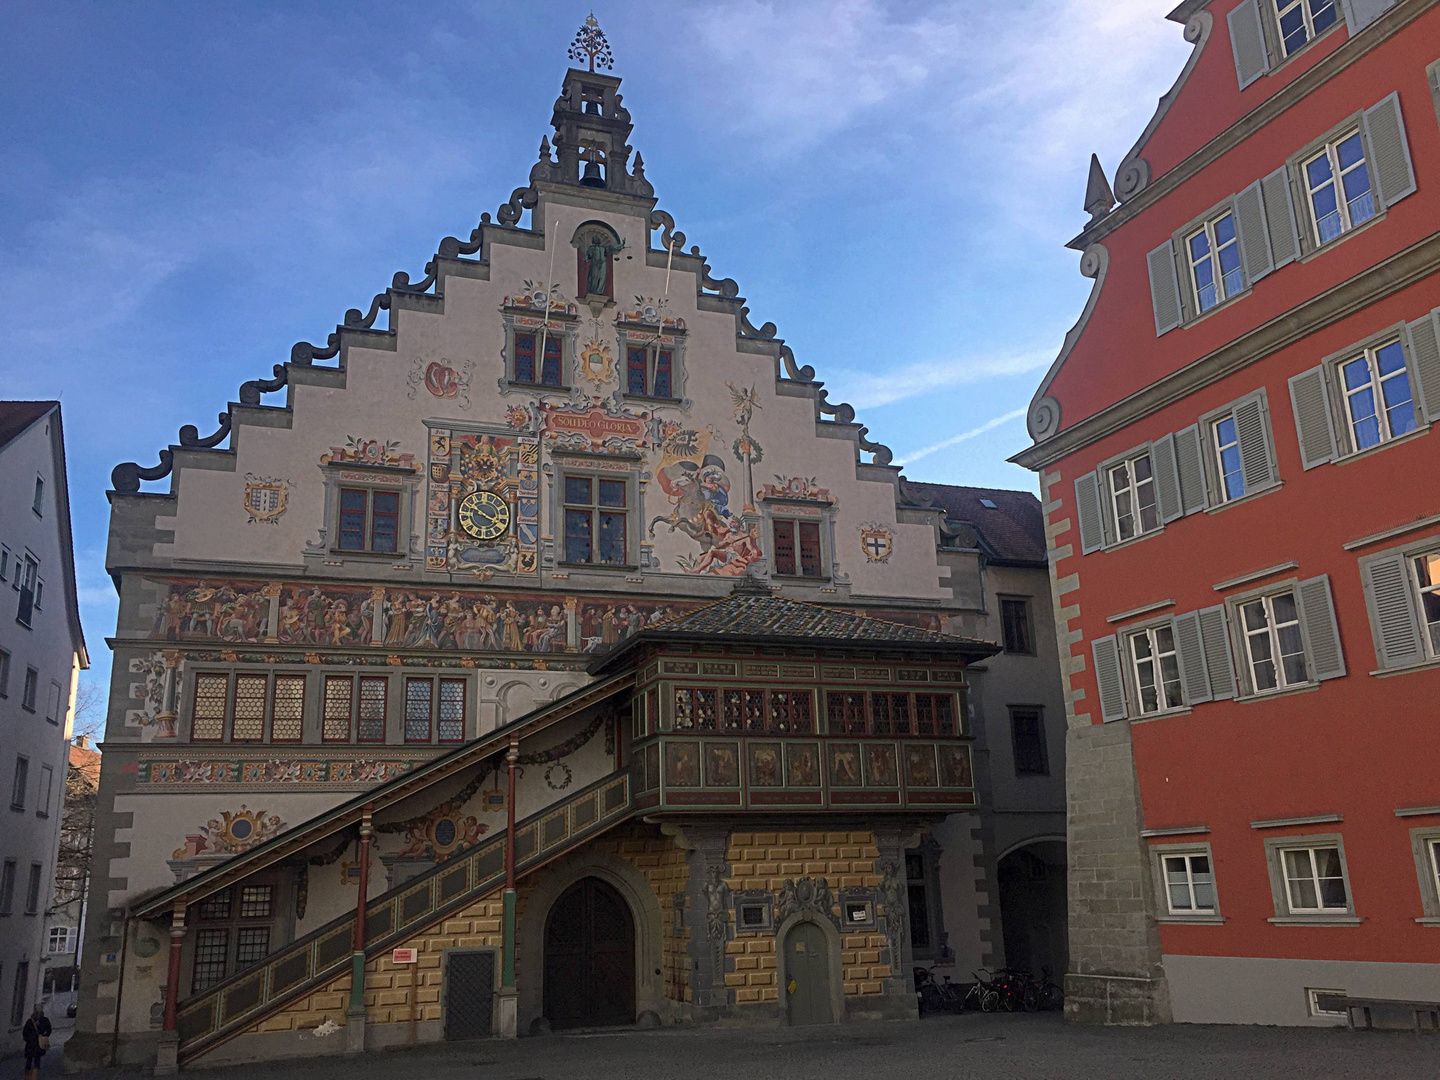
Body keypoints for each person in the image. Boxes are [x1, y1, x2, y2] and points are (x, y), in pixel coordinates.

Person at [23, 1005, 52, 1080]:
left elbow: (25, 1032)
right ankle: (35, 1077)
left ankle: (27, 1077)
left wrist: (28, 1039)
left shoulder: (30, 1021)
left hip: (30, 1044)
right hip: (39, 1043)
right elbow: (49, 1030)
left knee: (29, 1060)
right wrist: (44, 1035)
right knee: (37, 1060)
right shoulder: (45, 1020)